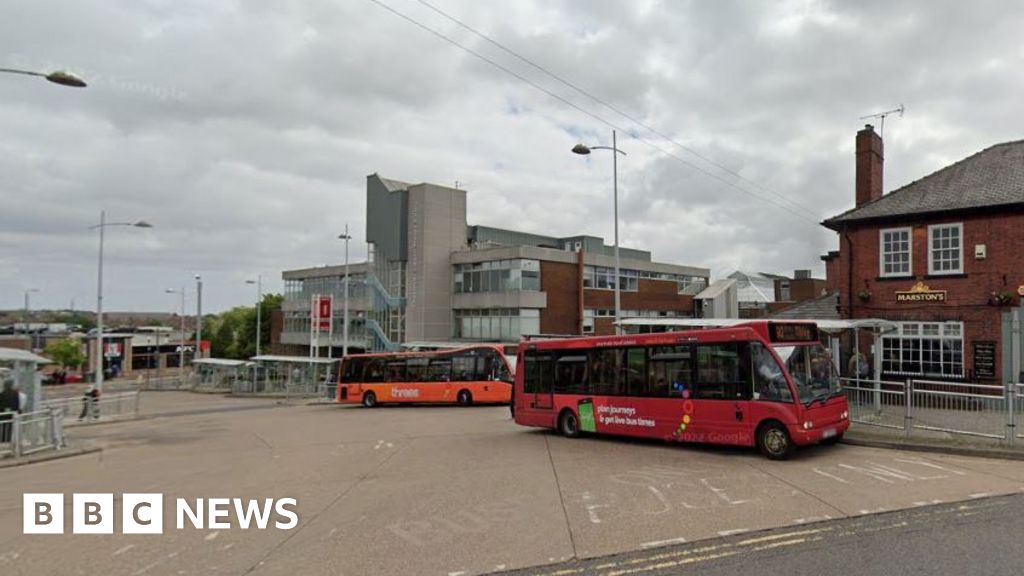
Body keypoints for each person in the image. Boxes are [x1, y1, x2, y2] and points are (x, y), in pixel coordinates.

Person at [1, 378, 20, 443]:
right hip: (13, 413)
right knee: (10, 427)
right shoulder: (15, 393)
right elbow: (17, 403)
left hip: (4, 414)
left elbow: (1, 404)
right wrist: (16, 411)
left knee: (4, 427)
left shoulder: (2, 393)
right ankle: (8, 440)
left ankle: (3, 440)